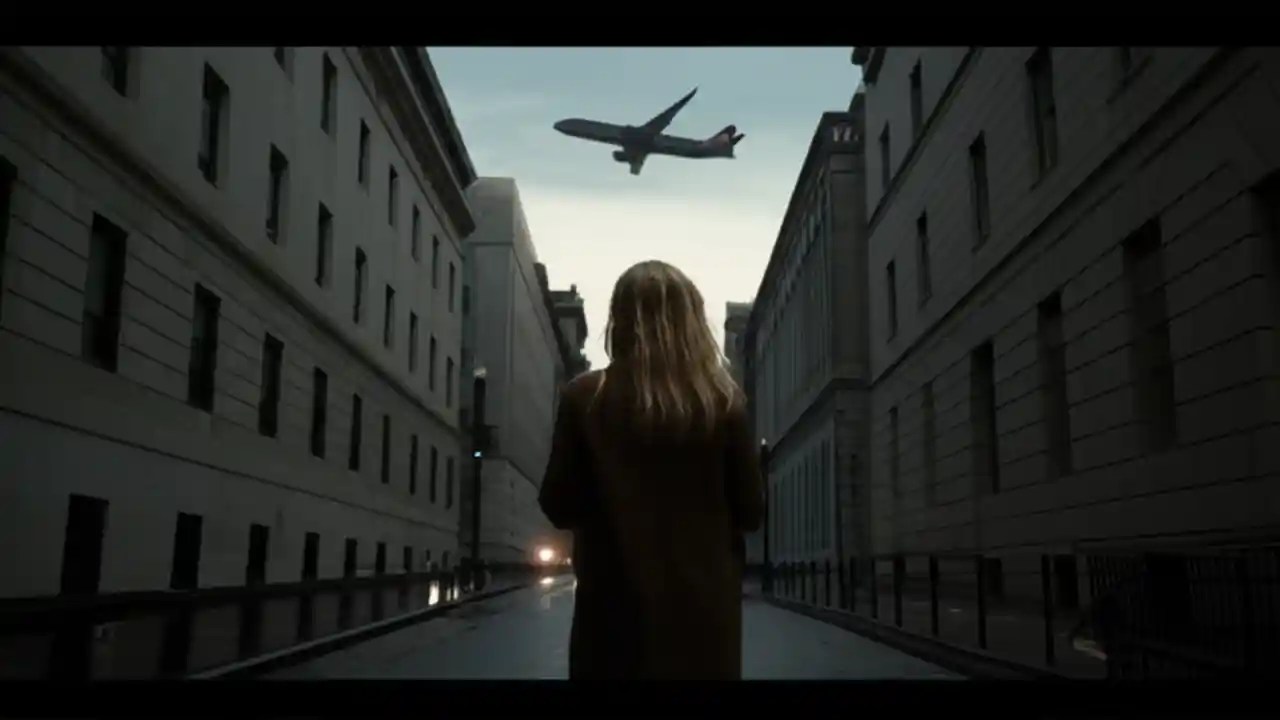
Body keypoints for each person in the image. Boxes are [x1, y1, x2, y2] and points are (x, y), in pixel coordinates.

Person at [538, 259, 765, 680]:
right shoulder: (722, 402)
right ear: (692, 321)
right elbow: (750, 510)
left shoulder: (585, 396)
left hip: (611, 613)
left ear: (620, 319)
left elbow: (558, 503)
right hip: (703, 621)